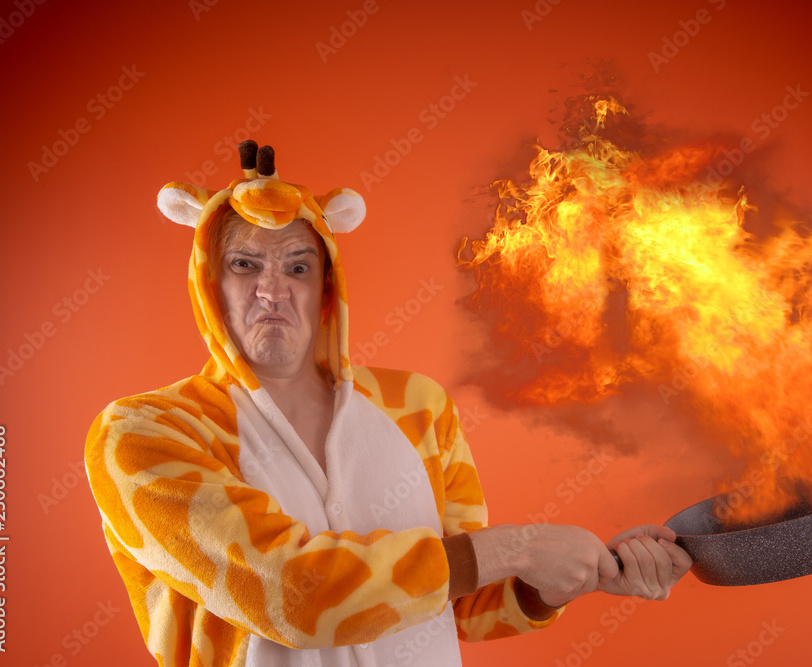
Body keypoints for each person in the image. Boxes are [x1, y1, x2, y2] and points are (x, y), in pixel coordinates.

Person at [84, 141, 691, 667]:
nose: (273, 290)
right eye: (245, 264)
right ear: (207, 280)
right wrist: (520, 547)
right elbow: (291, 594)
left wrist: (572, 574)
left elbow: (464, 606)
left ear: (327, 287)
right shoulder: (143, 434)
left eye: (298, 266)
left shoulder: (417, 406)